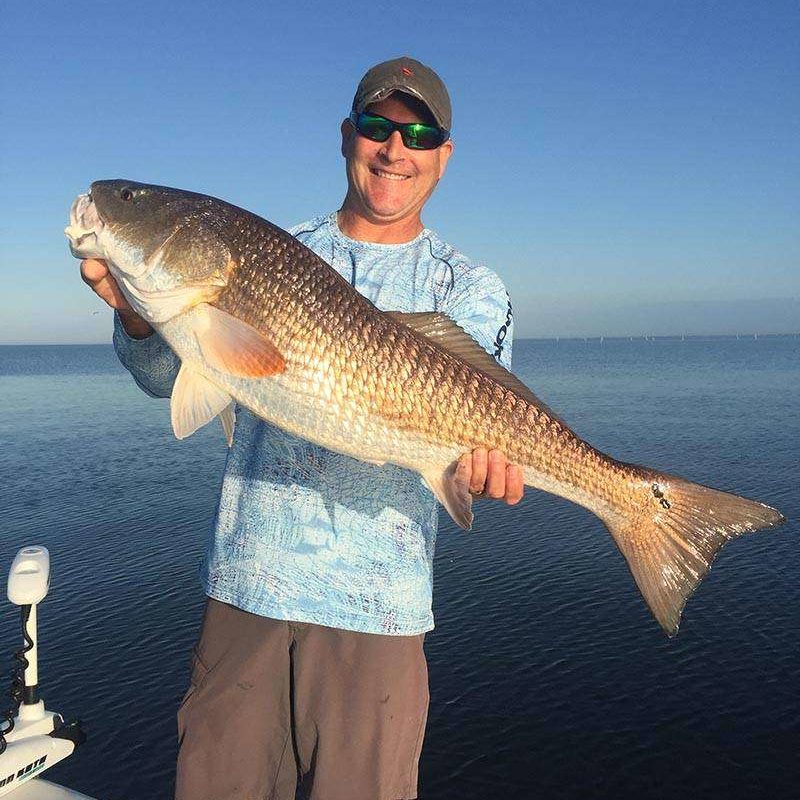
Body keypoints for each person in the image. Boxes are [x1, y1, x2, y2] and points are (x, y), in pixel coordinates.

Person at [80, 56, 524, 800]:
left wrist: (488, 466)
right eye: (378, 127)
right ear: (348, 136)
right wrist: (134, 311)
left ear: (443, 156)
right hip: (245, 590)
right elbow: (169, 382)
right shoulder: (276, 249)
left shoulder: (469, 289)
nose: (395, 149)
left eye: (419, 133)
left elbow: (489, 429)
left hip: (376, 615)